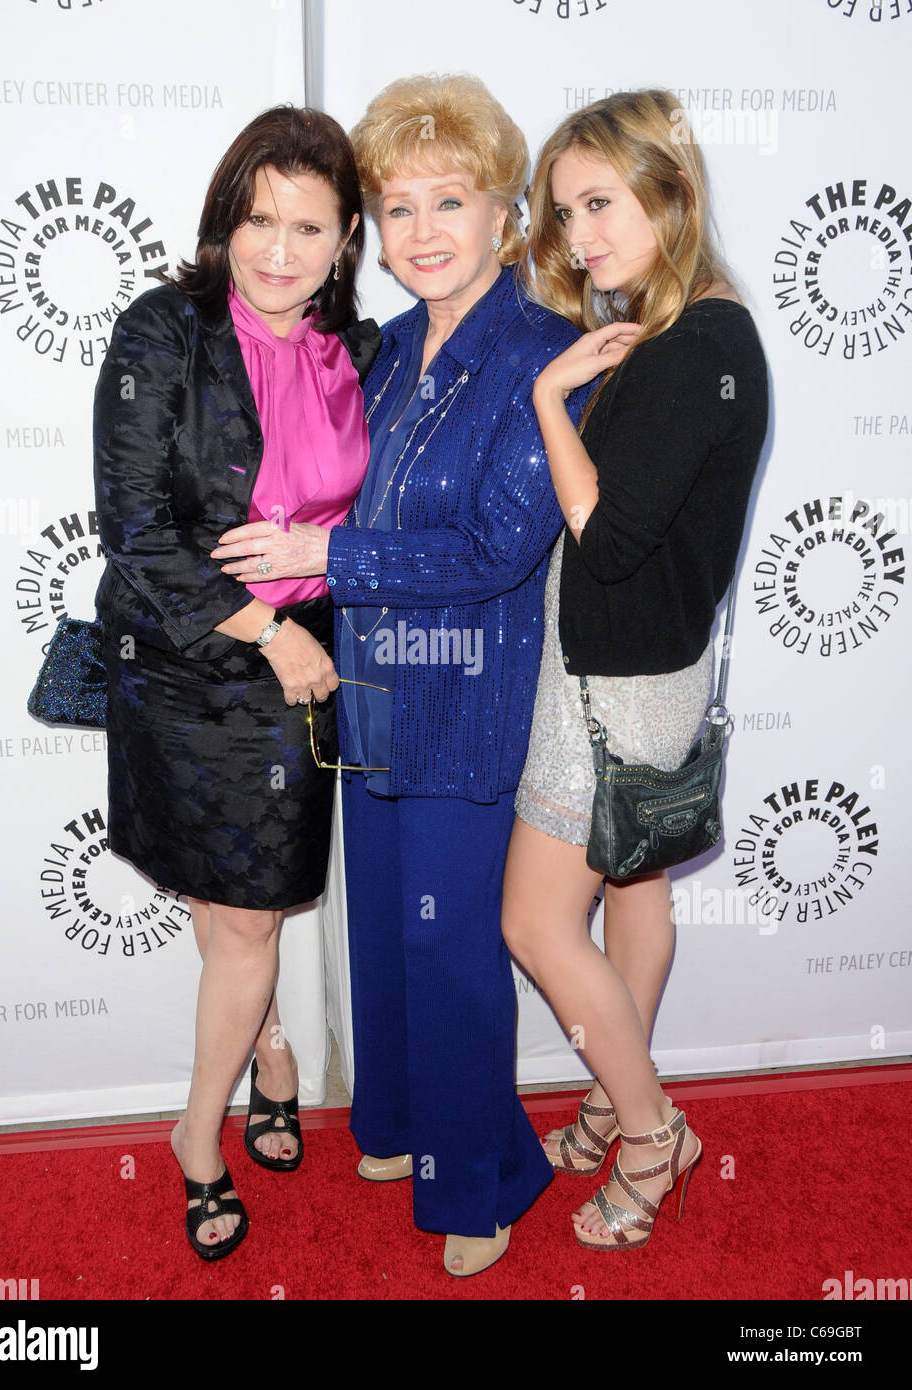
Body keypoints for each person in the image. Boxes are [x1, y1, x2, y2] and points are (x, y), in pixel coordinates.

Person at [211, 74, 589, 1276]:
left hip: (467, 703)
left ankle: (479, 1178)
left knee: (450, 950)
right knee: (380, 929)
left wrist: (328, 553)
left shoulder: (543, 352)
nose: (424, 231)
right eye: (401, 206)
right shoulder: (379, 350)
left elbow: (493, 552)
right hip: (363, 698)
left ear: (502, 214)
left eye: (452, 201)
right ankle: (398, 1129)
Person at [93, 106, 379, 1259]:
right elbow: (134, 529)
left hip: (297, 675)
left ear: (344, 234)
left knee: (246, 915)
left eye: (307, 226)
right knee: (233, 916)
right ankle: (199, 1133)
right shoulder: (163, 330)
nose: (278, 249)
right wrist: (271, 630)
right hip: (188, 666)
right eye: (259, 218)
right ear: (226, 218)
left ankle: (260, 1050)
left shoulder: (355, 350)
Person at [502, 89, 769, 1249]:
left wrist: (549, 397)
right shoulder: (686, 330)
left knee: (533, 924)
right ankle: (616, 1096)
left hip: (614, 676)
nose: (579, 236)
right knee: (635, 888)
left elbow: (605, 540)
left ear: (671, 189)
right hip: (645, 663)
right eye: (563, 213)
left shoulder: (689, 349)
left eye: (601, 201)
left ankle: (655, 1135)